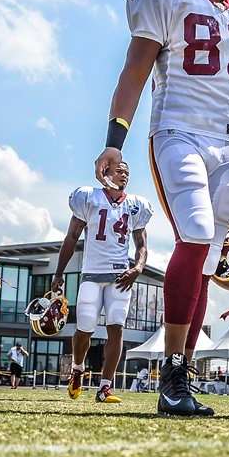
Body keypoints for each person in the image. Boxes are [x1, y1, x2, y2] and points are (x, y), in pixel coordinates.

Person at [95, 0, 229, 417]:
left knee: (209, 261)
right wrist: (115, 142)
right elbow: (135, 69)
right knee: (193, 236)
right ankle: (172, 370)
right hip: (178, 131)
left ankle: (182, 376)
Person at [52, 162, 153, 405]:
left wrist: (138, 268)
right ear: (104, 174)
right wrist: (58, 273)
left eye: (127, 172)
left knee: (116, 328)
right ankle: (77, 369)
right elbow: (71, 237)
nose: (124, 175)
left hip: (119, 276)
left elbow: (141, 244)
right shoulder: (88, 198)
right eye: (119, 171)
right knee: (85, 328)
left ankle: (105, 388)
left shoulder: (136, 205)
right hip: (92, 273)